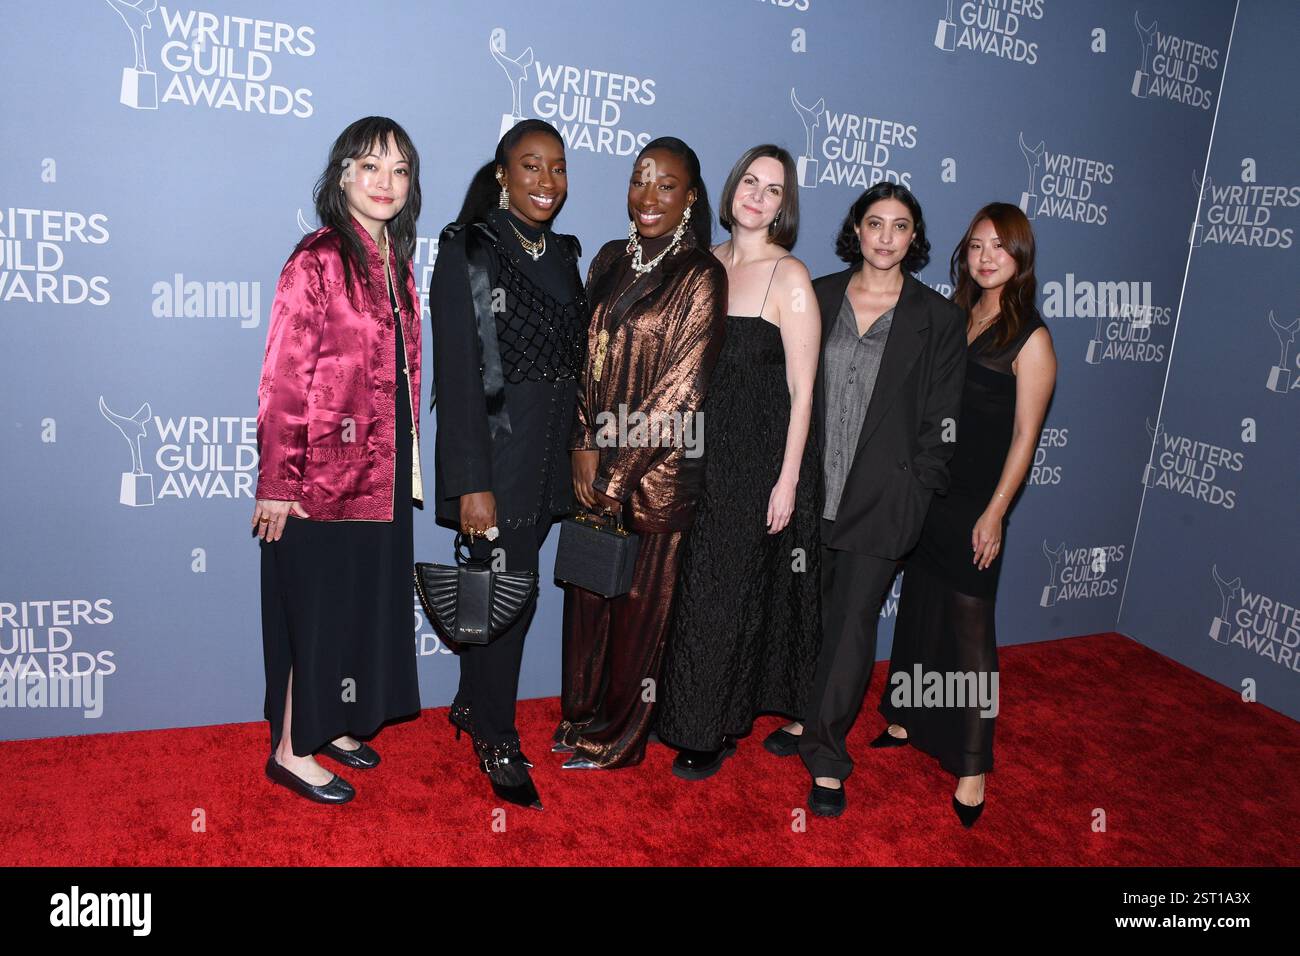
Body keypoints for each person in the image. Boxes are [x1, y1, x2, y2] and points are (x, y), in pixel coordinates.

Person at [762, 182, 966, 818]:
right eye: (874, 223)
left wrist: (916, 489)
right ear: (856, 229)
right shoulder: (816, 295)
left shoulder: (939, 318)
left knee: (851, 625)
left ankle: (826, 754)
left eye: (899, 226)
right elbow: (784, 391)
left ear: (914, 237)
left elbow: (943, 421)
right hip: (811, 487)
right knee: (812, 617)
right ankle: (807, 713)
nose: (884, 237)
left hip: (882, 500)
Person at [254, 116, 424, 804]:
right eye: (371, 166)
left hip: (381, 474)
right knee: (317, 611)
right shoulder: (317, 259)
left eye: (400, 170)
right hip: (320, 478)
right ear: (343, 175)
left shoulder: (396, 263)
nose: (386, 183)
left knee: (360, 607)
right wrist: (276, 482)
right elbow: (283, 379)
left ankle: (339, 720)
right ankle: (294, 748)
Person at [875, 202, 1056, 827]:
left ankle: (974, 766)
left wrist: (996, 513)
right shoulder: (953, 317)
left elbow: (1025, 439)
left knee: (972, 630)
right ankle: (905, 718)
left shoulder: (1030, 337)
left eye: (1000, 247)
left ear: (1020, 258)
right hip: (930, 488)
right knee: (920, 604)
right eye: (977, 244)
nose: (986, 257)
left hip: (976, 499)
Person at [554, 136, 727, 769]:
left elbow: (681, 388)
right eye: (639, 180)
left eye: (667, 185)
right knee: (588, 595)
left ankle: (618, 737)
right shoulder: (605, 259)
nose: (648, 196)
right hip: (596, 463)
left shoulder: (701, 274)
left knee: (636, 617)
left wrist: (618, 474)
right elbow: (582, 361)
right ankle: (580, 716)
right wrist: (582, 443)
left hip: (655, 479)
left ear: (690, 197)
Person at [429, 119, 586, 811]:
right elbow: (461, 377)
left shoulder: (565, 252)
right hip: (497, 458)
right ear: (502, 174)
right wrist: (472, 483)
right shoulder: (469, 248)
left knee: (506, 594)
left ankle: (471, 703)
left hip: (551, 458)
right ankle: (496, 735)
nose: (546, 181)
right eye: (530, 166)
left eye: (557, 167)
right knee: (505, 601)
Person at [655, 145, 823, 780]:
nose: (758, 194)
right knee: (689, 585)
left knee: (723, 593)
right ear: (729, 192)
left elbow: (806, 389)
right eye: (750, 181)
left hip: (754, 460)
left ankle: (709, 730)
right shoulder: (703, 264)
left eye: (774, 189)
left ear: (784, 207)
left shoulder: (792, 277)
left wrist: (787, 480)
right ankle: (685, 711)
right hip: (695, 450)